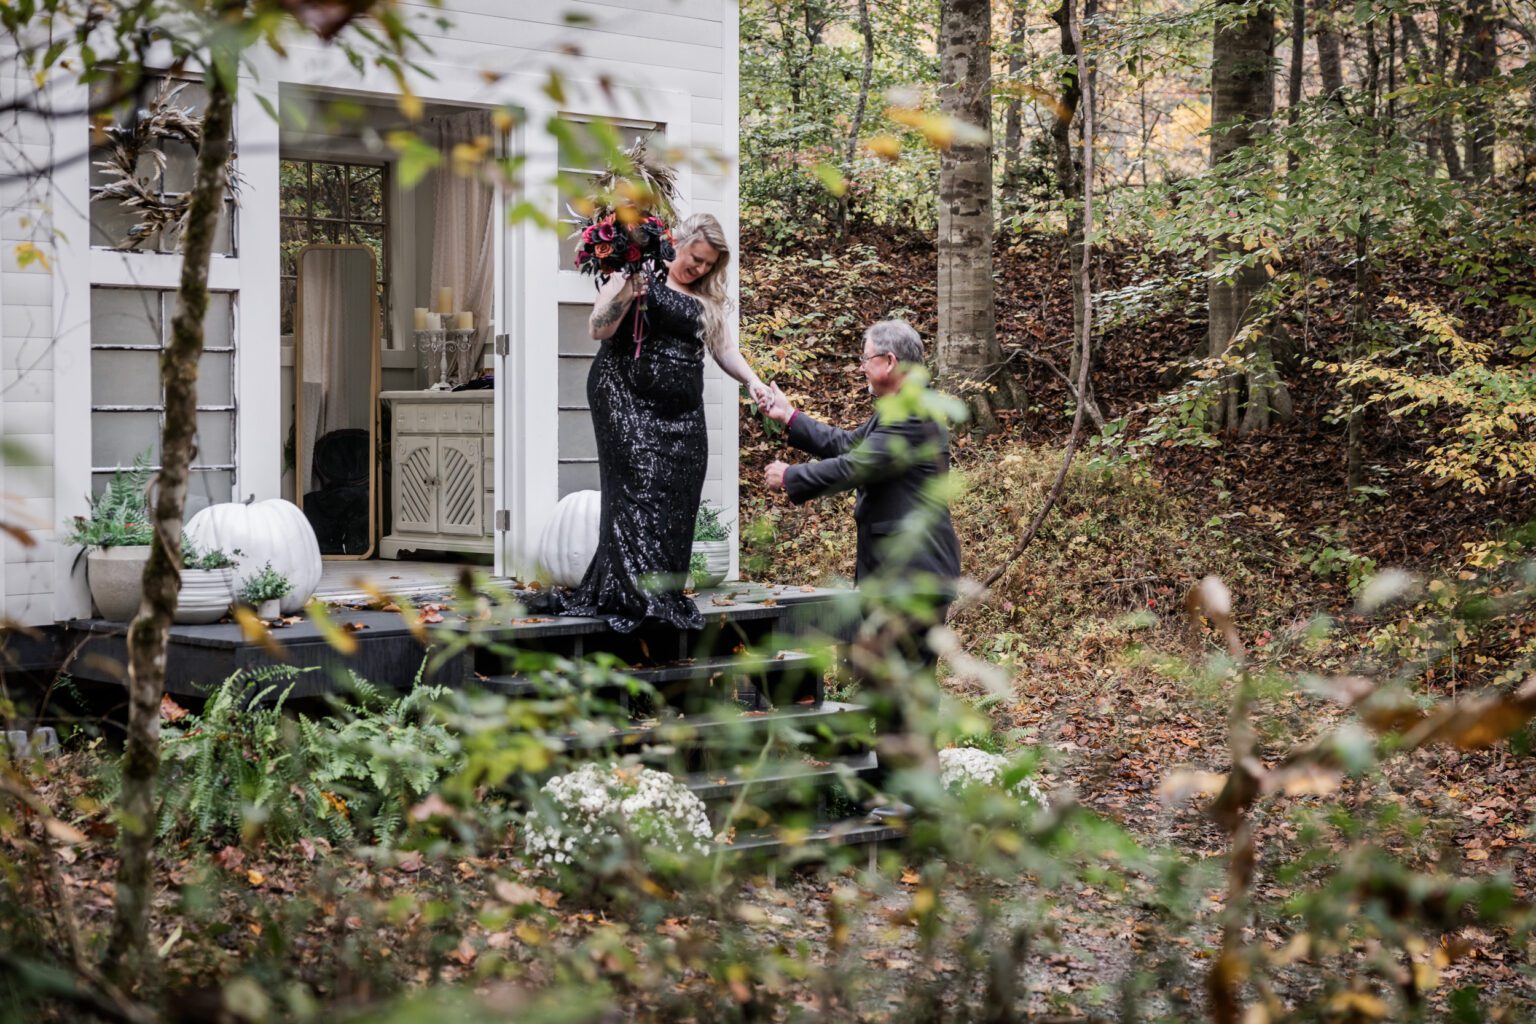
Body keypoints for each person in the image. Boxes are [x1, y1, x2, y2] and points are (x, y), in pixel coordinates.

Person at [562, 212, 770, 632]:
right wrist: (628, 291)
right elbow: (598, 329)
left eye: (709, 264)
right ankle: (635, 594)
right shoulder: (637, 273)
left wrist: (754, 381)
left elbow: (724, 348)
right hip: (624, 396)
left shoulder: (706, 297)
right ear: (677, 244)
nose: (700, 268)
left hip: (683, 412)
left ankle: (664, 589)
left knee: (680, 492)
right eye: (696, 258)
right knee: (638, 490)